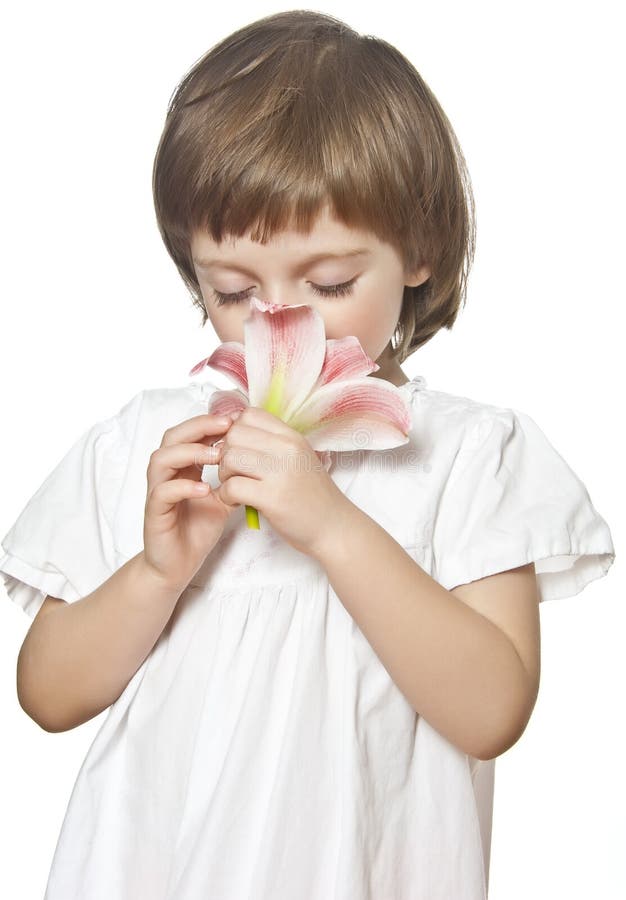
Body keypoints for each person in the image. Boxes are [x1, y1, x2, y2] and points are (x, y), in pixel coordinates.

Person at [0, 10, 616, 900]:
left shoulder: (471, 457)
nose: (279, 320)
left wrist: (331, 527)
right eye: (232, 290)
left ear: (419, 251)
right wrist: (157, 572)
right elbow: (48, 696)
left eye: (329, 283)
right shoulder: (149, 445)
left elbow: (491, 712)